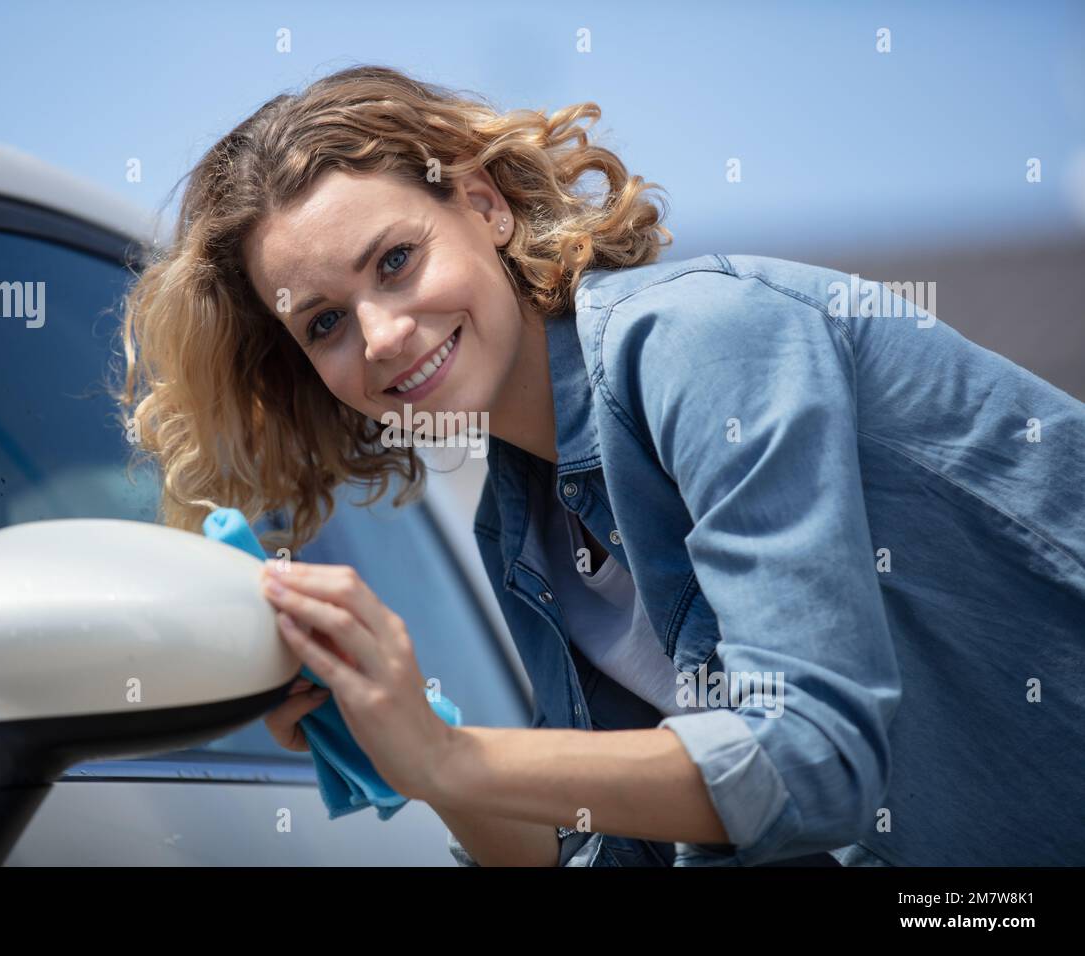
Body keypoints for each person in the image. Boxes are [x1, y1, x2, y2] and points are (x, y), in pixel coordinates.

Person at [116, 64, 1085, 867]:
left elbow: (813, 755)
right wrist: (407, 755)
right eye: (322, 321)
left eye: (395, 261)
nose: (376, 336)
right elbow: (605, 855)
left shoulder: (704, 340)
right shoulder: (521, 519)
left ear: (484, 205)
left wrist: (451, 750)